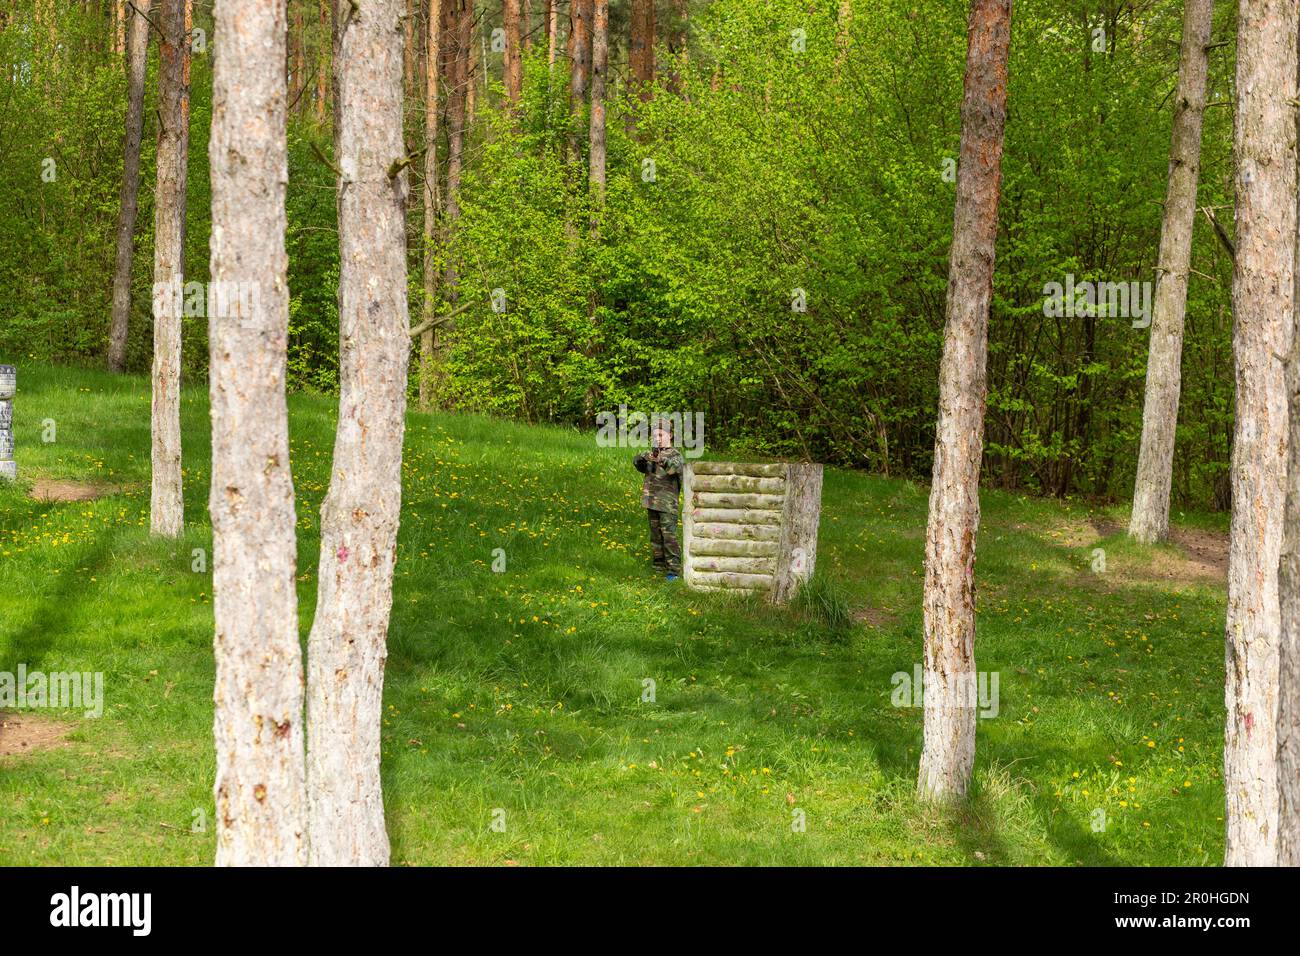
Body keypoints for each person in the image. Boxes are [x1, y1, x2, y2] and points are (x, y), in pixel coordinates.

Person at [633, 419, 684, 580]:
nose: (658, 439)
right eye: (655, 436)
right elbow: (638, 464)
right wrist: (643, 457)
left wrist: (660, 459)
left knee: (669, 537)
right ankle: (658, 566)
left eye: (661, 435)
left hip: (668, 504)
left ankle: (673, 570)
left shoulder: (675, 455)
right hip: (651, 501)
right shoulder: (651, 454)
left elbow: (674, 469)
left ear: (670, 435)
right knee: (655, 537)